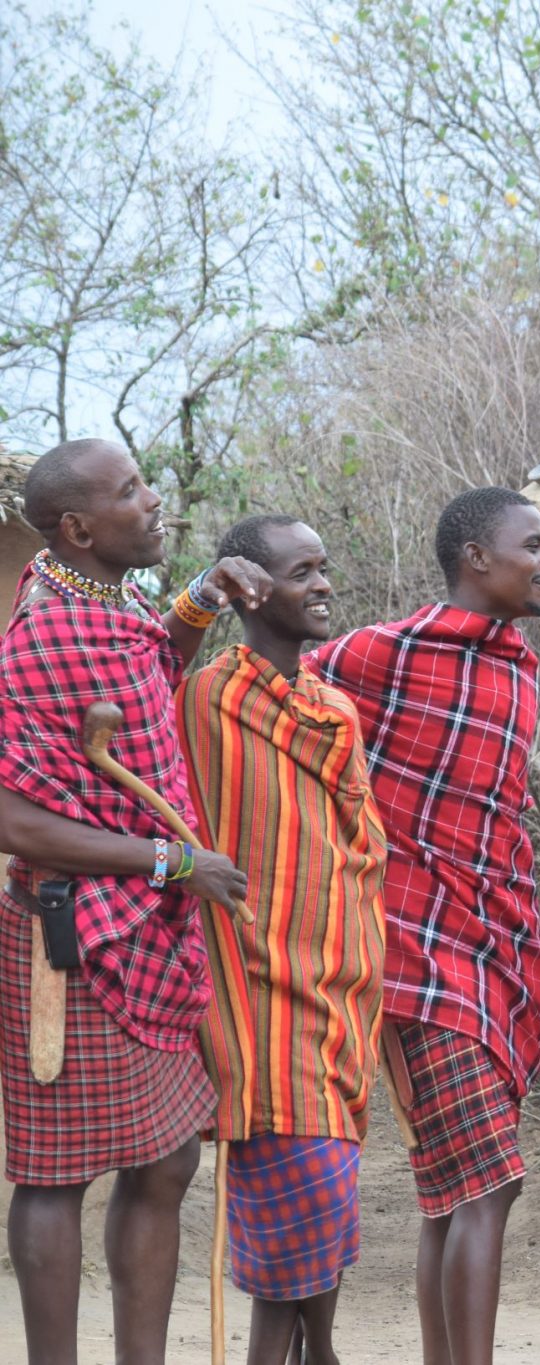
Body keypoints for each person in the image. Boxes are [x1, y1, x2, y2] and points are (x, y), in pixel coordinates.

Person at [0, 438, 263, 1365]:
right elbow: (15, 821)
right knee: (55, 1170)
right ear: (77, 527)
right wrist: (171, 862)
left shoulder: (106, 599)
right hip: (72, 933)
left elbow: (149, 675)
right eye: (131, 492)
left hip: (142, 922)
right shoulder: (44, 635)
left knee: (167, 1156)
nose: (154, 502)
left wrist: (200, 599)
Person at [308, 486, 540, 1365]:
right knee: (491, 1182)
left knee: (452, 1192)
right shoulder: (378, 654)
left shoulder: (519, 664)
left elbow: (498, 813)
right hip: (411, 945)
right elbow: (279, 711)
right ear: (476, 558)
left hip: (495, 943)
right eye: (534, 544)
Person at [178, 515, 387, 1365]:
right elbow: (149, 667)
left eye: (324, 569)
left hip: (341, 988)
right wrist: (196, 601)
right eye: (303, 572)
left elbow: (363, 842)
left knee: (330, 1191)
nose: (324, 585)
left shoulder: (334, 706)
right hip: (254, 990)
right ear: (253, 589)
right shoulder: (205, 696)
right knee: (298, 1199)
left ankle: (318, 1350)